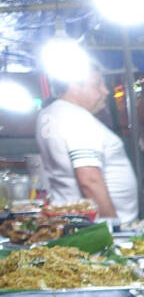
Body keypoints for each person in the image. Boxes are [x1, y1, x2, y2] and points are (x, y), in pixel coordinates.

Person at [35, 63, 138, 222]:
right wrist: (111, 228)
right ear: (74, 85)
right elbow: (90, 181)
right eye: (98, 84)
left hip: (70, 219)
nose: (106, 91)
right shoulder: (76, 119)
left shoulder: (50, 113)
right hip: (99, 228)